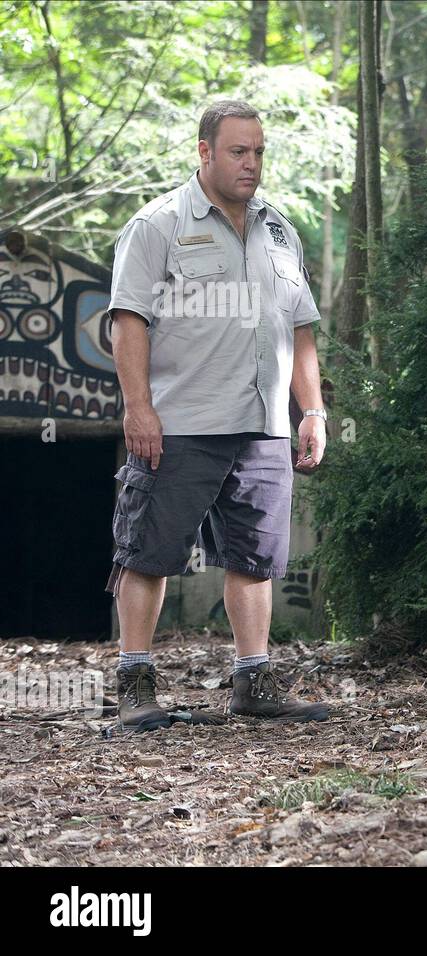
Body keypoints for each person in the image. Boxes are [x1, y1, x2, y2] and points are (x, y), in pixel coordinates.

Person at [106, 99, 330, 731]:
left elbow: (302, 328)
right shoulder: (157, 226)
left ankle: (253, 681)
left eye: (258, 151)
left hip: (263, 424)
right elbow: (129, 322)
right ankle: (135, 686)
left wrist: (311, 409)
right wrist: (139, 408)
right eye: (238, 151)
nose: (251, 164)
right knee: (147, 553)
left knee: (254, 558)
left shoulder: (279, 229)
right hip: (180, 422)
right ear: (204, 152)